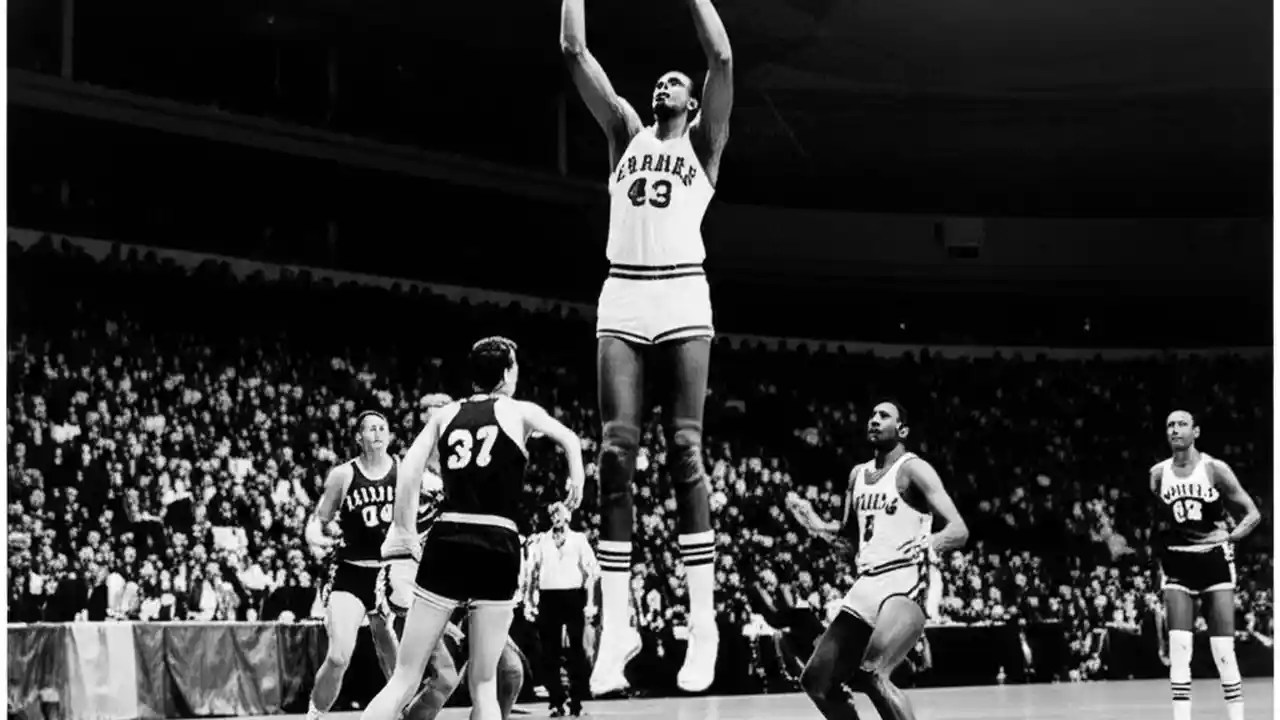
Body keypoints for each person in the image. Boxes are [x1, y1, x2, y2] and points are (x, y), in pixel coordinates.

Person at [559, 0, 734, 696]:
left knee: (686, 448)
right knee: (612, 454)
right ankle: (618, 625)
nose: (663, 85)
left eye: (674, 82)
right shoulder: (626, 133)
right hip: (625, 294)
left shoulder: (703, 145)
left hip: (683, 295)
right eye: (658, 81)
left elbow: (721, 58)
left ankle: (704, 620)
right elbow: (574, 52)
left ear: (693, 106)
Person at [361, 337, 585, 720]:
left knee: (404, 677)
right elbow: (568, 437)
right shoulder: (518, 411)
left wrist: (401, 530)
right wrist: (576, 477)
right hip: (498, 541)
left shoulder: (445, 416)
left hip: (449, 539)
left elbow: (409, 469)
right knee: (484, 685)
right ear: (507, 372)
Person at [787, 401, 969, 720]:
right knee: (816, 681)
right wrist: (814, 522)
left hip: (907, 577)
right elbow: (847, 541)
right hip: (868, 581)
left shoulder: (914, 469)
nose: (874, 420)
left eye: (884, 416)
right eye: (871, 415)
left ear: (902, 430)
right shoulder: (857, 474)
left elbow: (959, 529)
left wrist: (933, 543)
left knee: (873, 672)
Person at [373, 393, 528, 720]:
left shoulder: (467, 468)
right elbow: (397, 535)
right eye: (430, 412)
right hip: (429, 582)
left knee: (511, 671)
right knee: (436, 679)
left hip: (474, 576)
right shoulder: (409, 473)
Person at [1151, 410, 1260, 720]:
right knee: (1179, 650)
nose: (1175, 429)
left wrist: (1232, 537)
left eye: (1182, 424)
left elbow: (1252, 513)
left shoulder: (1215, 469)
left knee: (1224, 652)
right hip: (1178, 561)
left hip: (1214, 561)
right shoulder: (1157, 474)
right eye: (1170, 424)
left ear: (1196, 431)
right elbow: (1159, 521)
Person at [305, 411, 402, 720]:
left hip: (390, 573)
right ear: (359, 437)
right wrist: (317, 542)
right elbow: (317, 522)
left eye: (382, 427)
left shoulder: (405, 472)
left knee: (397, 663)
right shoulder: (343, 475)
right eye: (370, 428)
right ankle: (315, 714)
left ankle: (400, 713)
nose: (377, 432)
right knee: (337, 657)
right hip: (352, 571)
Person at [525, 502, 599, 716]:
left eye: (559, 513)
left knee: (576, 650)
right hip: (549, 597)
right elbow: (533, 572)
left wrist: (590, 602)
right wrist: (530, 600)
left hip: (572, 595)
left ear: (567, 516)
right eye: (552, 513)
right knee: (550, 652)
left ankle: (576, 702)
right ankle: (556, 700)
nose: (555, 517)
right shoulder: (542, 541)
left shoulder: (578, 539)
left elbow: (591, 573)